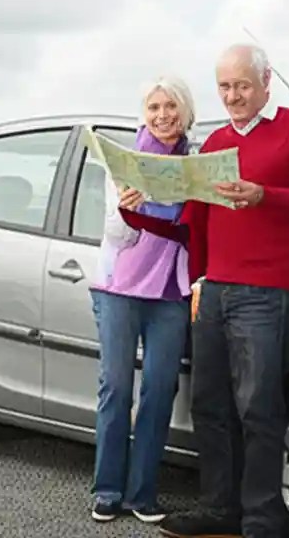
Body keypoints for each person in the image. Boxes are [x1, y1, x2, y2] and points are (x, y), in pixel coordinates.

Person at [119, 45, 289, 538]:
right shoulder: (213, 143)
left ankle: (261, 519)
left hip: (266, 291)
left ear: (265, 81)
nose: (233, 96)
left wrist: (264, 195)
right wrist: (135, 210)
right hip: (213, 290)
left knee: (258, 408)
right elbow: (192, 227)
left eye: (241, 85)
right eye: (224, 87)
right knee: (209, 406)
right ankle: (220, 509)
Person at [88, 75, 198, 525]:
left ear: (185, 111)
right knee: (115, 388)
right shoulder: (125, 162)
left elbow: (200, 231)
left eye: (170, 106)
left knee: (159, 390)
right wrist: (124, 208)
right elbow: (116, 236)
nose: (162, 115)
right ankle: (108, 490)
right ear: (144, 114)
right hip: (122, 288)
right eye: (154, 108)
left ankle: (143, 494)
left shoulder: (196, 162)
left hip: (171, 290)